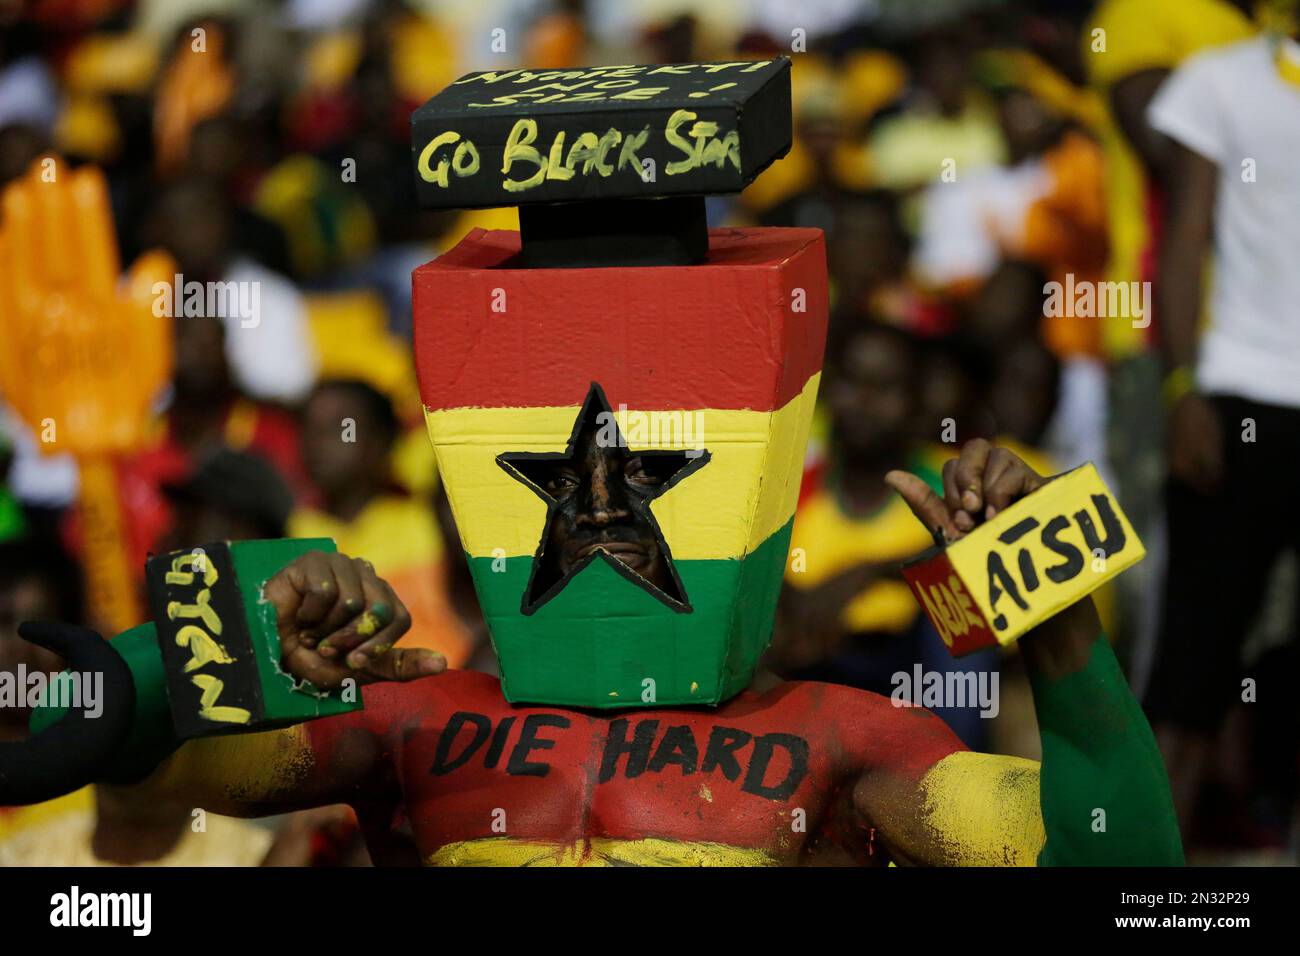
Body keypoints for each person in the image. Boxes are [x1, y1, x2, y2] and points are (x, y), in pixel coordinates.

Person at [1142, 11, 1300, 837]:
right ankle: (1151, 890)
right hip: (1242, 393)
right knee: (1192, 667)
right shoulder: (1219, 77)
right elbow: (1185, 240)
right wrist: (1182, 389)